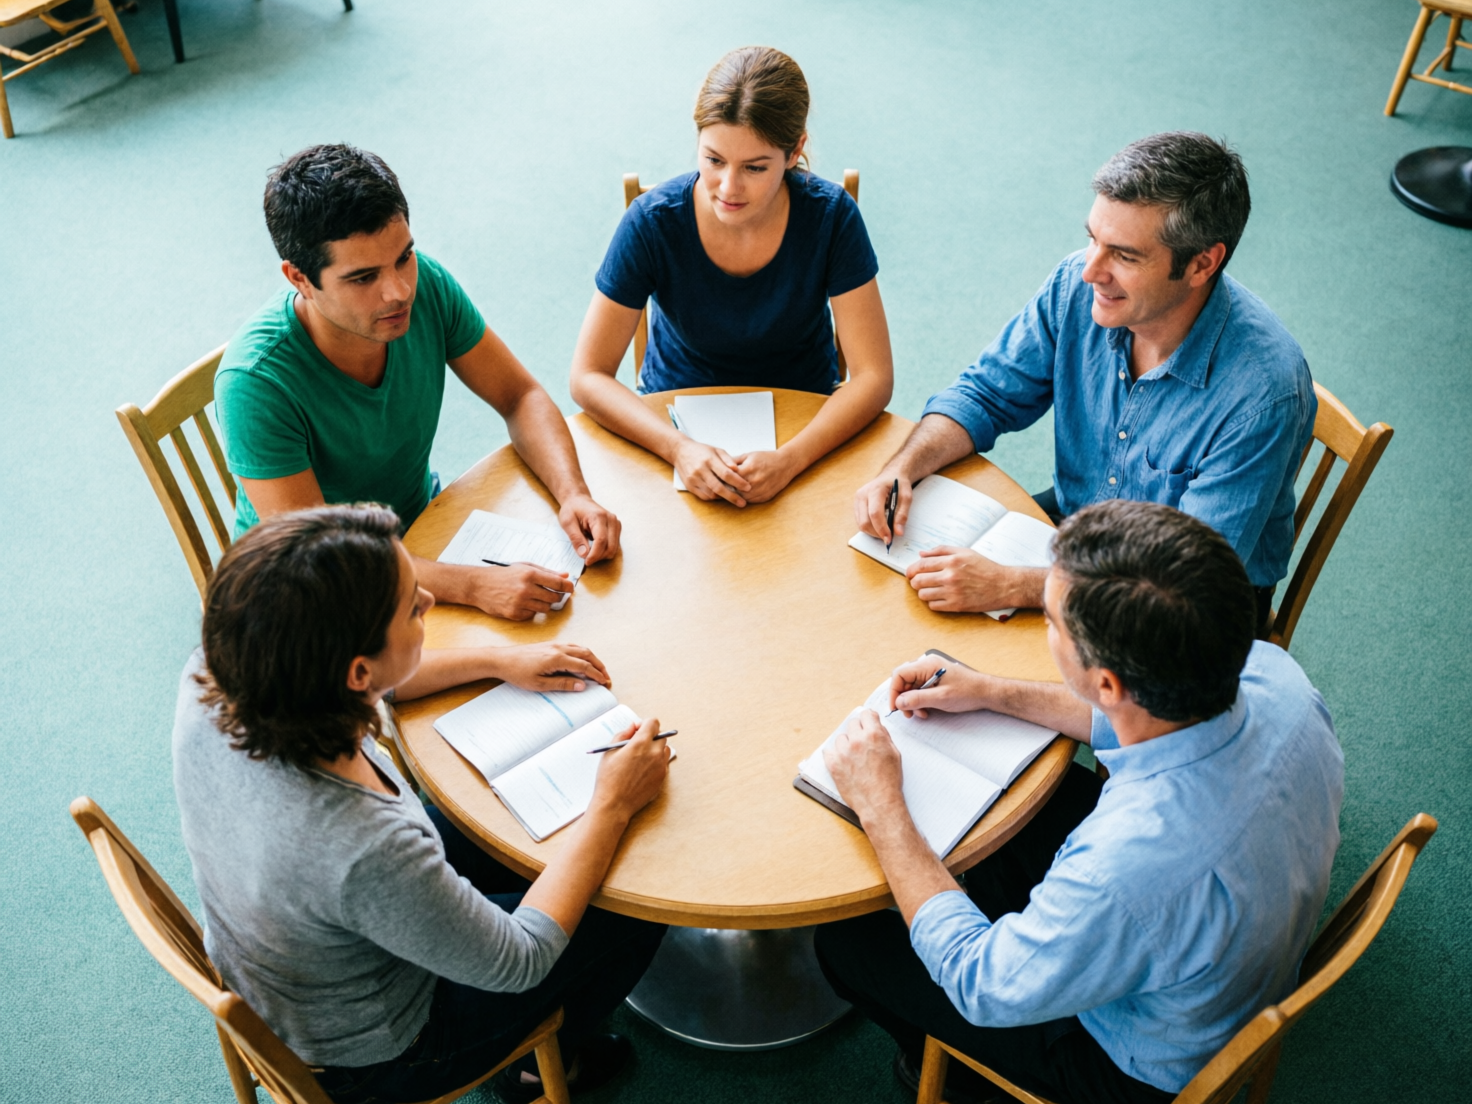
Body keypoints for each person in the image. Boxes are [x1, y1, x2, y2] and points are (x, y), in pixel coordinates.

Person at [813, 500, 1344, 1104]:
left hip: (1132, 1068)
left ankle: (959, 1081)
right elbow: (1144, 719)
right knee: (1017, 811)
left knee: (845, 946)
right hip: (1225, 949)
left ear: (1107, 683)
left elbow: (982, 983)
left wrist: (880, 805)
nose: (1046, 626)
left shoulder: (1117, 869)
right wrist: (992, 691)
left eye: (1051, 622)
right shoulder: (1277, 676)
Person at [173, 504, 669, 1104]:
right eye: (412, 607)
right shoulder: (362, 843)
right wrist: (610, 805)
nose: (430, 604)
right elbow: (520, 958)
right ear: (358, 671)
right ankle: (538, 1072)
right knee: (637, 898)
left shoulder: (223, 671)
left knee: (517, 840)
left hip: (289, 959)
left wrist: (495, 659)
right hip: (382, 1050)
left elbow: (373, 682)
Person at [854, 133, 1316, 635]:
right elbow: (984, 394)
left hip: (1190, 600)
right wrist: (903, 467)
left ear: (1202, 263)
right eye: (1093, 238)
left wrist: (1015, 585)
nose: (1090, 271)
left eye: (1125, 256)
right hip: (1079, 525)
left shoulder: (1264, 395)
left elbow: (1187, 581)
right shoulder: (1077, 284)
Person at [216, 143, 622, 622]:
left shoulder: (424, 283)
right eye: (363, 277)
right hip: (315, 588)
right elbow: (323, 555)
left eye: (403, 257)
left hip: (419, 533)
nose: (399, 291)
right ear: (300, 278)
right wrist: (472, 584)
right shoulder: (253, 383)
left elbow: (520, 396)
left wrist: (573, 492)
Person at [569, 46, 894, 507]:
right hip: (675, 423)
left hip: (805, 426)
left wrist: (791, 459)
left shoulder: (831, 217)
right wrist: (677, 447)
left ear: (794, 150)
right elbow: (587, 375)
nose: (728, 188)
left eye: (755, 168)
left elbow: (873, 376)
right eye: (714, 160)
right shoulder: (652, 221)